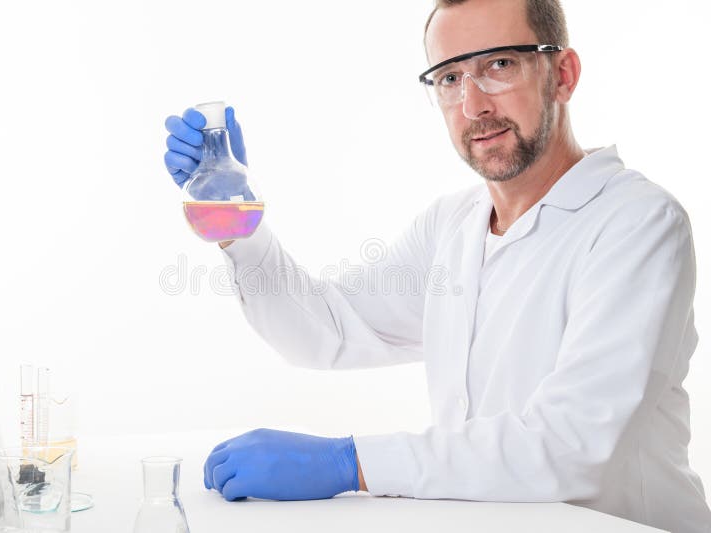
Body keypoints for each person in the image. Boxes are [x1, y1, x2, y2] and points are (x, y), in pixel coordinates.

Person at [163, 0, 711, 531]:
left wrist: (348, 462)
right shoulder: (451, 226)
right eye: (450, 78)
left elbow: (567, 446)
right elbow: (325, 331)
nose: (474, 106)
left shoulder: (637, 224)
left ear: (562, 75)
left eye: (500, 65)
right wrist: (240, 229)